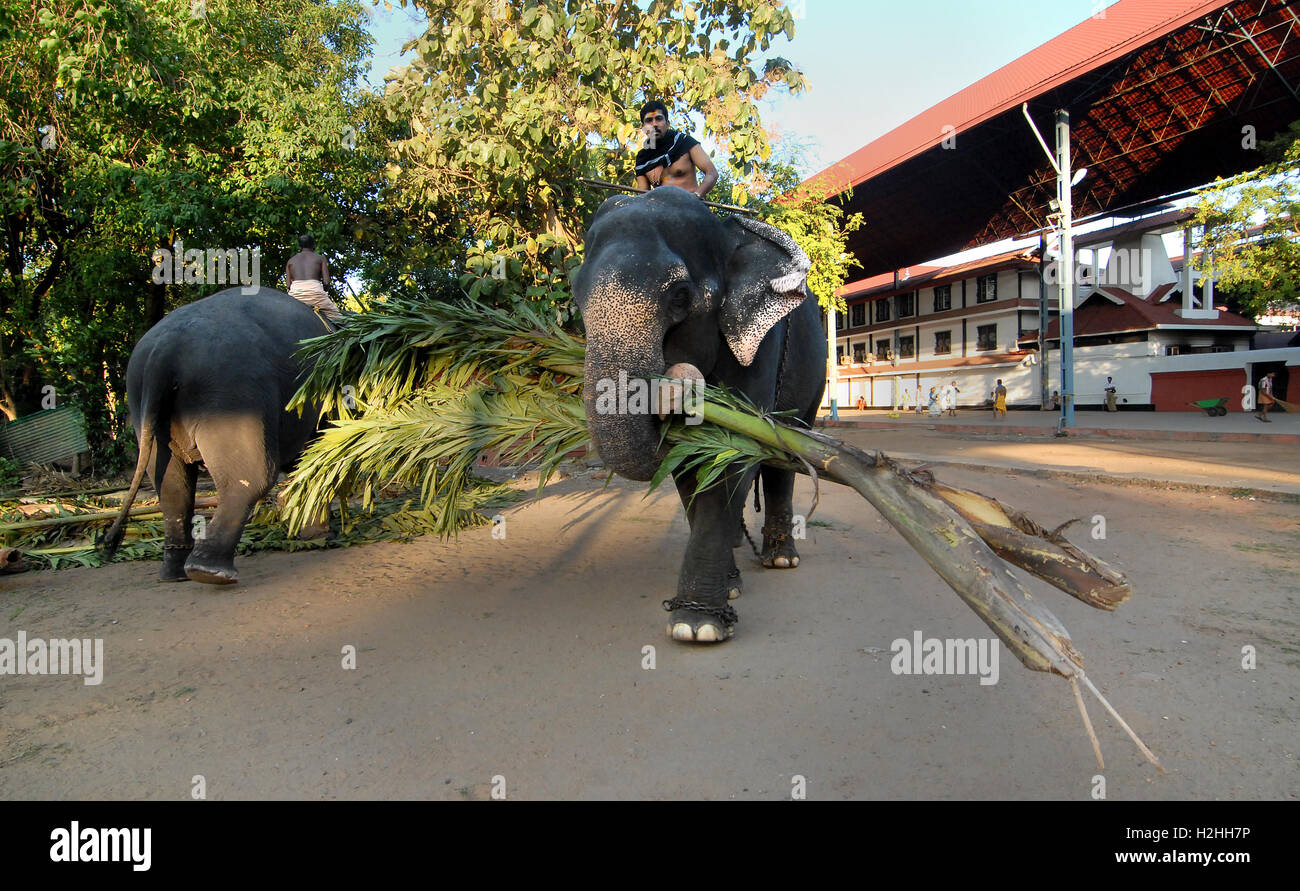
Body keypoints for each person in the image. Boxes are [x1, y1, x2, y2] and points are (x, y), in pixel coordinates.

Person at [633, 101, 718, 199]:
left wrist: (696, 197)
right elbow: (643, 197)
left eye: (659, 119)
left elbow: (712, 173)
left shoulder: (684, 142)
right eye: (649, 120)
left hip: (692, 210)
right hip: (661, 212)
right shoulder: (642, 158)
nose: (654, 124)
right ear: (643, 128)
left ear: (667, 124)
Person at [285, 234, 343, 321]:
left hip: (295, 297)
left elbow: (289, 285)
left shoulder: (290, 261)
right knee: (340, 320)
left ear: (299, 246)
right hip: (316, 295)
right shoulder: (320, 258)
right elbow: (326, 282)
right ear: (314, 245)